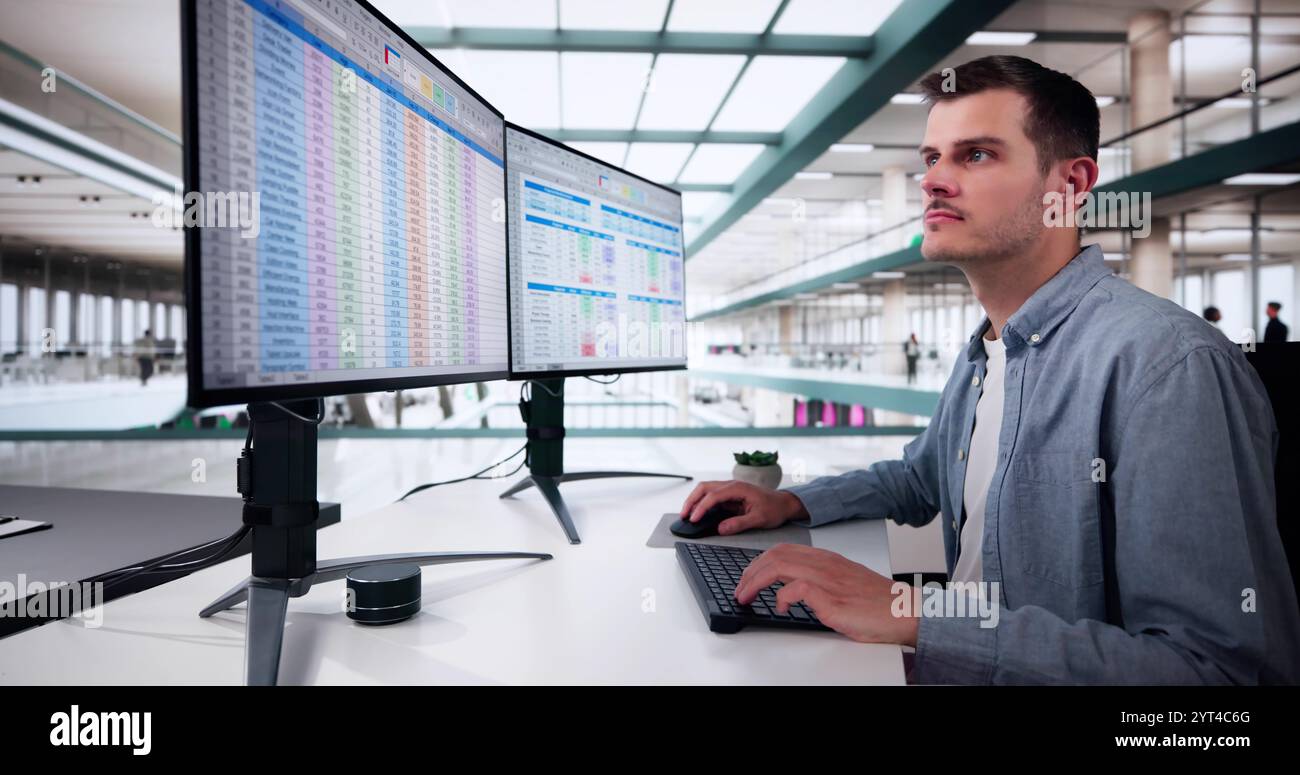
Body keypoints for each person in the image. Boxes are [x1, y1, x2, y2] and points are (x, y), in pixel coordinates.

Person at [678, 55, 1300, 684]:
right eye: (931, 158)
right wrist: (787, 500)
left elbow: (1216, 679)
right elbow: (921, 477)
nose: (934, 181)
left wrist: (914, 613)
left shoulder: (1165, 367)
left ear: (1071, 185)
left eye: (975, 155)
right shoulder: (989, 347)